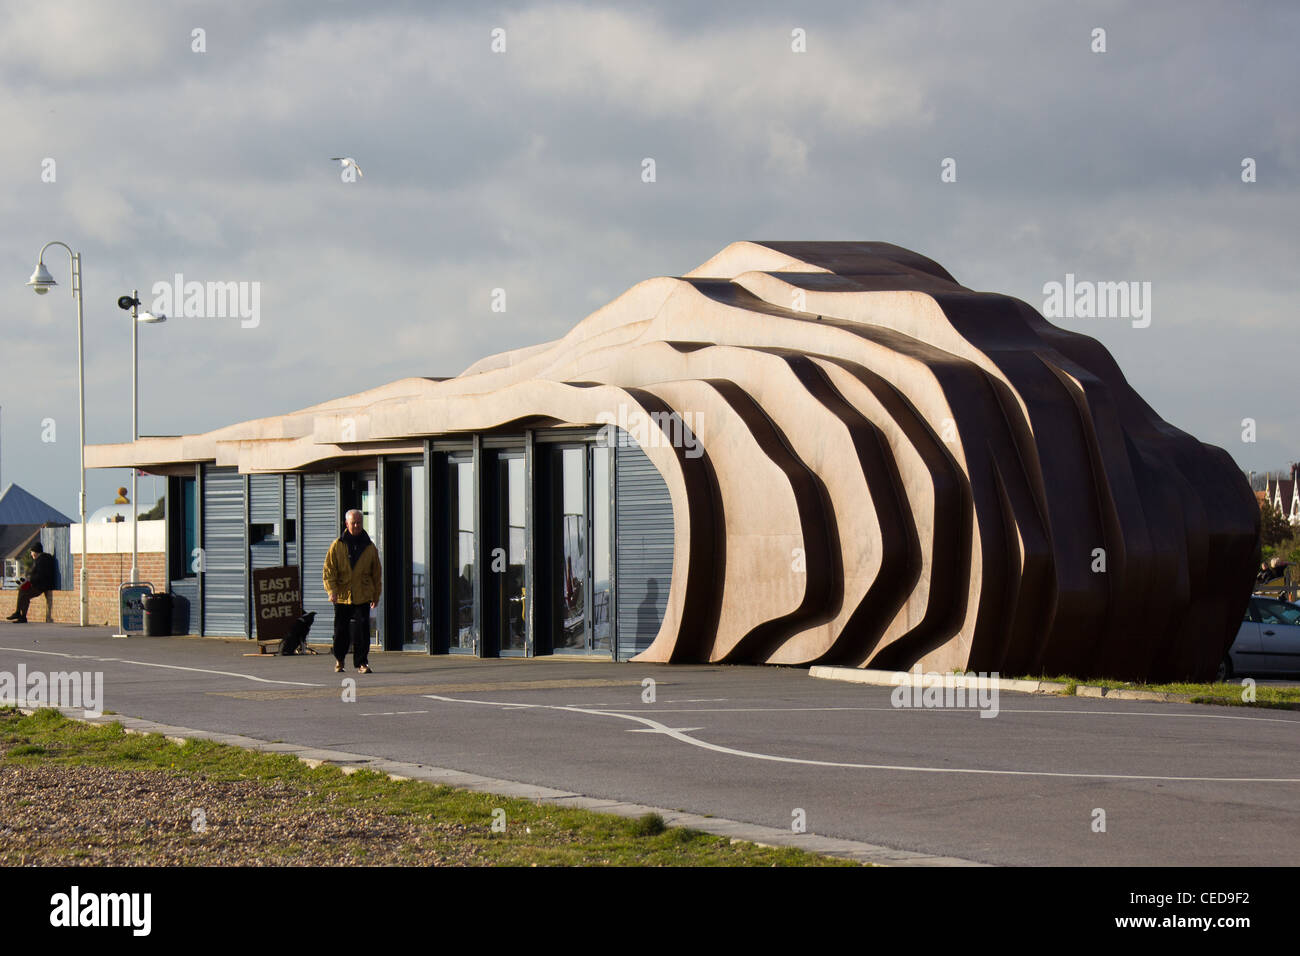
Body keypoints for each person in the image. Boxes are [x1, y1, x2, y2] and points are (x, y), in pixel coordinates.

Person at [322, 509, 381, 674]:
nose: (356, 525)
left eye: (359, 523)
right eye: (353, 523)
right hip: (342, 596)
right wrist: (331, 591)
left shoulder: (369, 547)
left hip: (362, 595)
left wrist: (376, 595)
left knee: (362, 630)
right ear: (346, 524)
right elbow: (329, 570)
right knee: (341, 631)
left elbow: (376, 573)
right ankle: (339, 660)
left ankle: (362, 663)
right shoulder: (337, 545)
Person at [7, 542, 56, 624]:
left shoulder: (41, 561)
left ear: (35, 552)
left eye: (31, 552)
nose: (31, 554)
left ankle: (19, 614)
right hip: (41, 584)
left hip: (41, 586)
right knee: (23, 591)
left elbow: (40, 575)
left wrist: (30, 581)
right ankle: (20, 614)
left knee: (24, 593)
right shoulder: (42, 559)